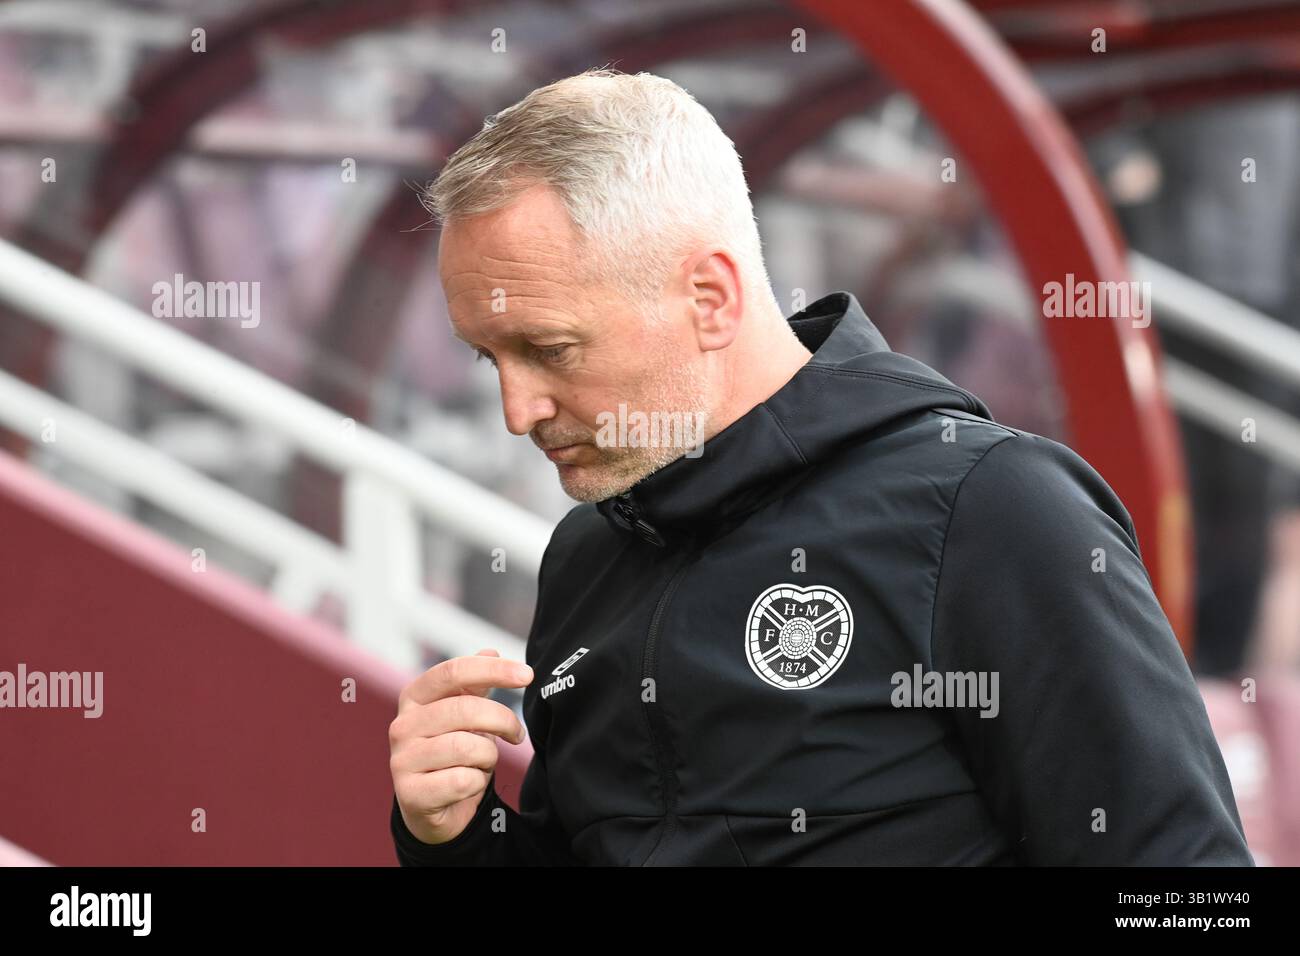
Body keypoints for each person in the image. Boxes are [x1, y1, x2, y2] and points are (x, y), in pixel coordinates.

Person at [387, 68, 1253, 866]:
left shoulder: (990, 507)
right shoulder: (587, 557)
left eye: (549, 348)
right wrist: (459, 835)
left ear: (711, 298)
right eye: (487, 358)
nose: (516, 411)